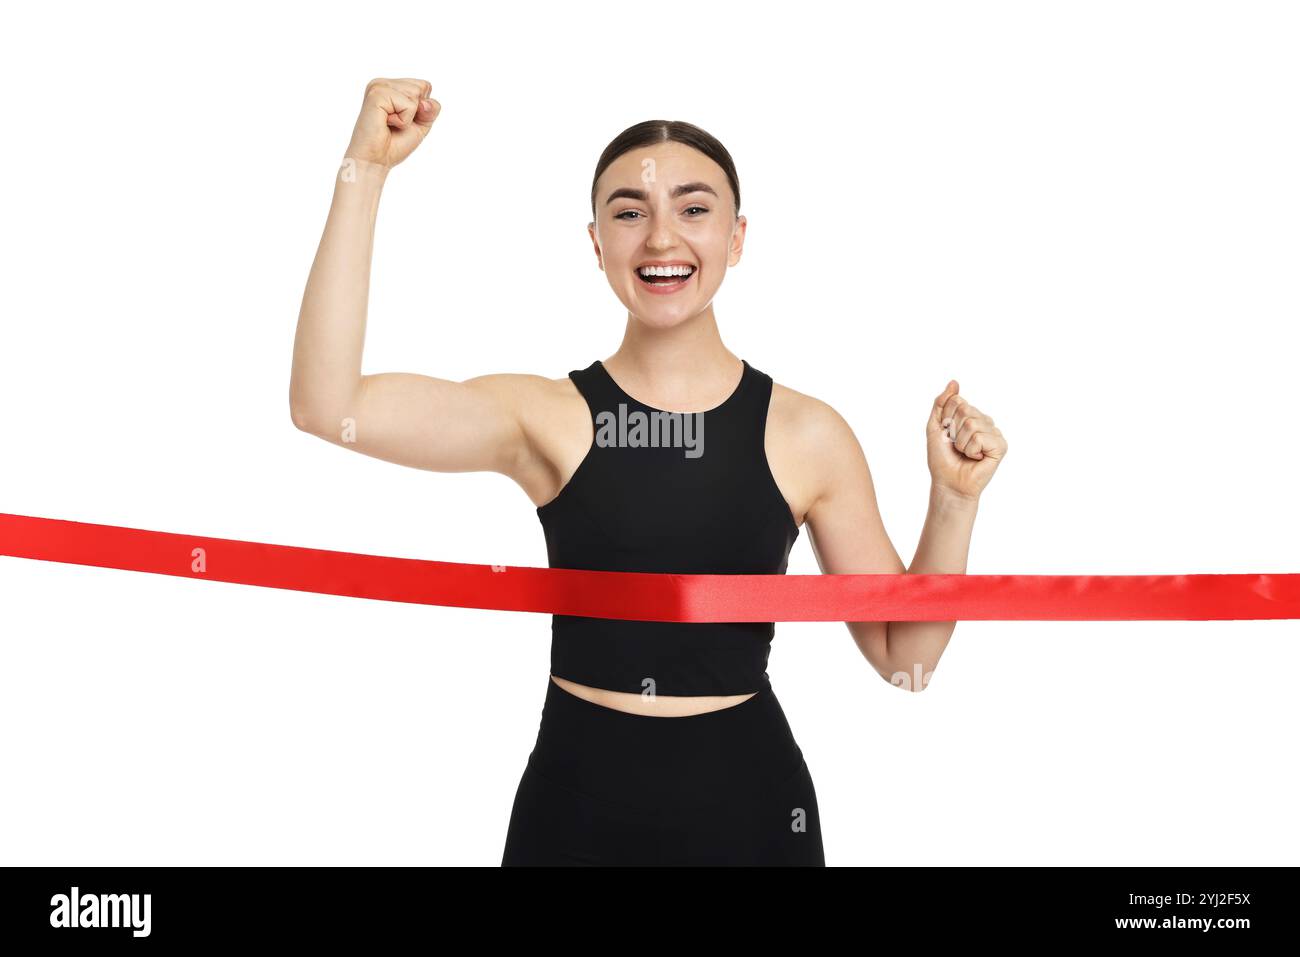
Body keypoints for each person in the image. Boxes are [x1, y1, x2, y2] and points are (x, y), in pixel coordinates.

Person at [288, 77, 1008, 866]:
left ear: (736, 238)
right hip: (574, 812)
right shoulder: (544, 418)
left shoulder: (808, 434)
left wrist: (954, 499)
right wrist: (365, 168)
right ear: (596, 242)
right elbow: (330, 404)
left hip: (753, 812)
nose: (661, 238)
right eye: (630, 212)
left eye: (693, 209)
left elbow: (906, 660)